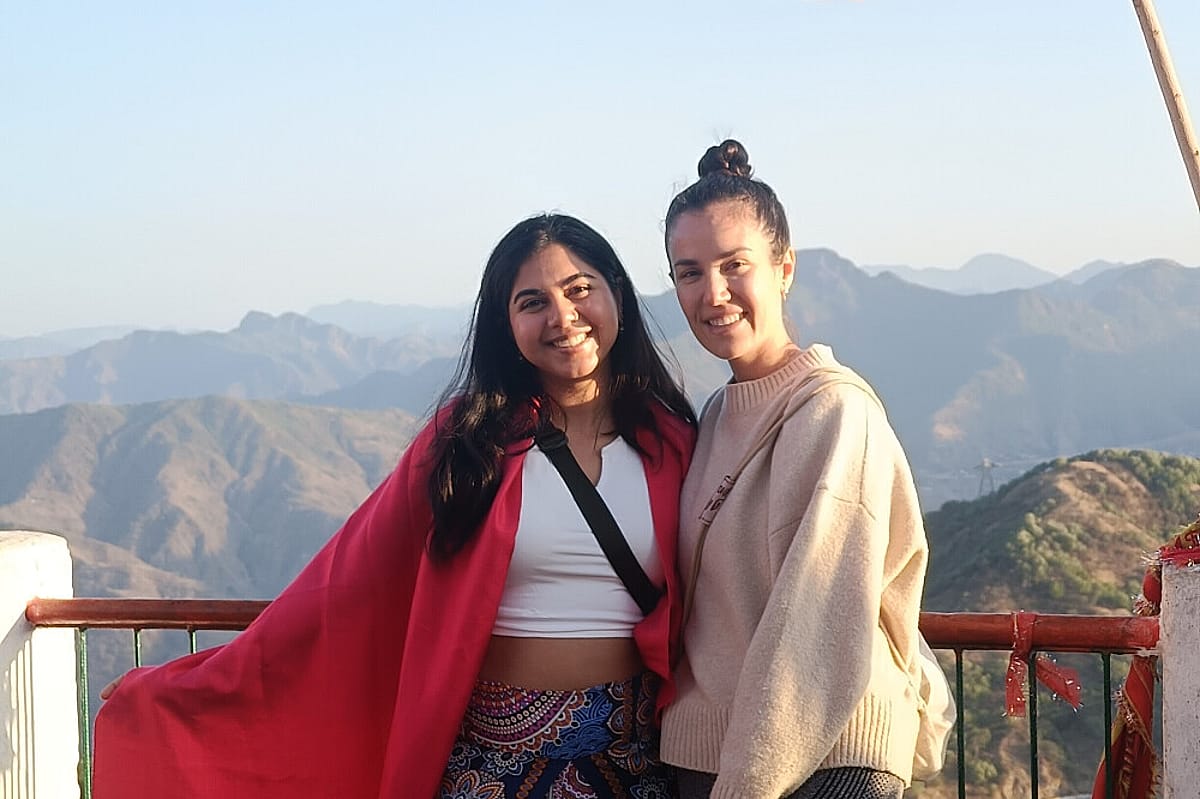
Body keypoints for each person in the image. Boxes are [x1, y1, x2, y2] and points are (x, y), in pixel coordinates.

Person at [93, 213, 696, 798]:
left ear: (617, 292)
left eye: (579, 289)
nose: (562, 317)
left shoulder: (675, 443)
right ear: (505, 325)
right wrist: (185, 685)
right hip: (488, 767)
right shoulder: (467, 442)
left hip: (634, 762)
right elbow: (341, 584)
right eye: (532, 301)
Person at [658, 140, 929, 799]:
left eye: (734, 265)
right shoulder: (717, 413)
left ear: (783, 269)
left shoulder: (833, 411)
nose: (713, 292)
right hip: (716, 757)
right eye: (689, 272)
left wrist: (746, 784)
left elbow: (812, 626)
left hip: (818, 763)